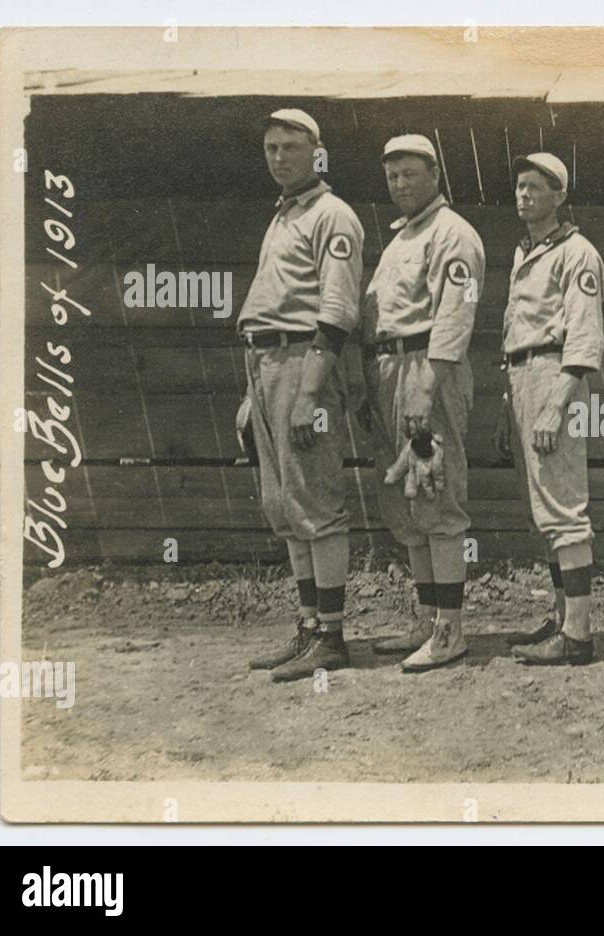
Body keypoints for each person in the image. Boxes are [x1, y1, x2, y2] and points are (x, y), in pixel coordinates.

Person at [239, 109, 365, 683]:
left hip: (303, 362)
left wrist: (308, 393)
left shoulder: (332, 215)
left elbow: (336, 312)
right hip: (265, 363)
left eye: (291, 147)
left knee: (314, 499)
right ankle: (310, 625)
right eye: (270, 148)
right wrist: (253, 393)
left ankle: (334, 635)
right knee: (284, 504)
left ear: (317, 153)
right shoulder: (282, 216)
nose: (278, 157)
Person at [360, 134, 485, 671]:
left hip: (428, 369)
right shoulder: (400, 240)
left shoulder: (453, 234)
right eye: (392, 175)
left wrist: (424, 388)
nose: (400, 184)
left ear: (435, 173)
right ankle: (427, 618)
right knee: (405, 503)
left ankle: (451, 629)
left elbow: (454, 318)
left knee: (436, 492)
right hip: (389, 370)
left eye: (410, 173)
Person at [496, 152, 604, 666]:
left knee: (564, 507)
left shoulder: (577, 252)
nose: (524, 195)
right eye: (519, 187)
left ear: (559, 195)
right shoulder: (526, 253)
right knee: (544, 509)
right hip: (522, 376)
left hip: (554, 377)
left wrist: (554, 406)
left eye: (535, 187)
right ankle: (563, 614)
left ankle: (579, 634)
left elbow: (583, 340)